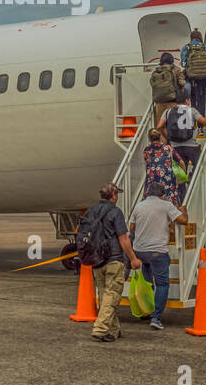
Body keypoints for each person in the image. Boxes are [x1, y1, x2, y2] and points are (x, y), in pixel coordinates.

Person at [76, 184, 140, 343]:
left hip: (97, 260)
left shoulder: (91, 211)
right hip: (113, 259)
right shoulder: (115, 212)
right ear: (113, 195)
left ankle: (114, 330)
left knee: (105, 296)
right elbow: (123, 238)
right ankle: (100, 328)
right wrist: (133, 258)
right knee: (112, 295)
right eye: (117, 193)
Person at [129, 183, 188, 329]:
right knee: (162, 284)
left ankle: (145, 310)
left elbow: (131, 228)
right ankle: (155, 318)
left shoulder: (139, 206)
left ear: (147, 193)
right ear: (162, 195)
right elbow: (183, 221)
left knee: (148, 282)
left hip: (139, 250)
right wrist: (184, 210)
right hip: (157, 251)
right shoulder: (166, 205)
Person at [162, 96, 206, 198]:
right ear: (186, 100)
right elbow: (204, 121)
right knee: (199, 164)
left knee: (180, 173)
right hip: (191, 146)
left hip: (175, 146)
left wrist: (166, 136)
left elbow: (160, 125)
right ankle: (191, 176)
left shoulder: (168, 111)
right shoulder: (191, 110)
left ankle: (182, 197)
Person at [180, 29, 206, 115]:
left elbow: (183, 63)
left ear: (191, 38)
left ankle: (194, 119)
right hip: (204, 77)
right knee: (203, 97)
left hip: (192, 77)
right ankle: (202, 121)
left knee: (193, 97)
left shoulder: (186, 47)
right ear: (200, 37)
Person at [142, 128, 180, 205]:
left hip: (152, 182)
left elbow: (147, 161)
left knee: (152, 205)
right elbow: (181, 162)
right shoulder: (168, 148)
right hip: (167, 182)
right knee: (168, 205)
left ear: (149, 138)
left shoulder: (146, 150)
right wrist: (182, 174)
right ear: (160, 137)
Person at [149, 52, 187, 127]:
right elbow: (182, 83)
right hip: (172, 102)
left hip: (159, 103)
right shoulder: (176, 69)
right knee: (173, 126)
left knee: (161, 127)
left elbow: (152, 83)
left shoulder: (157, 71)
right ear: (171, 60)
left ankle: (161, 139)